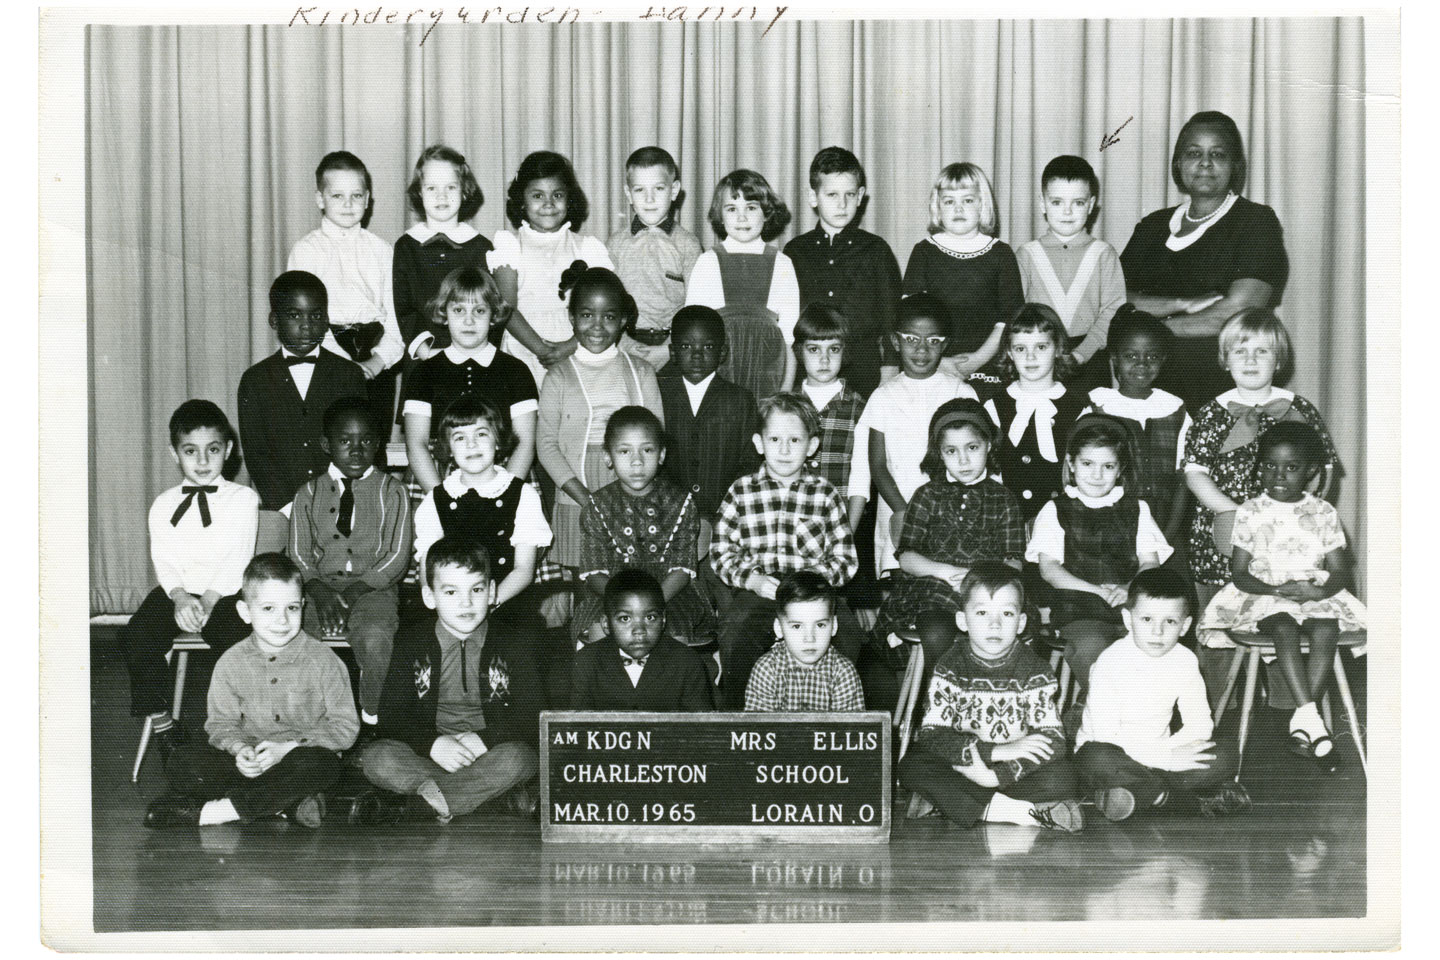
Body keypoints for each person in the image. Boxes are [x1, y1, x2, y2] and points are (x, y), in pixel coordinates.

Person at [143, 553, 358, 829]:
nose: (282, 620)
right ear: (245, 612)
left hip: (300, 759)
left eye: (292, 608)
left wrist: (289, 748)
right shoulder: (230, 662)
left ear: (303, 607)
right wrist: (240, 749)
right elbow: (221, 725)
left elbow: (345, 728)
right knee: (181, 762)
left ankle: (219, 811)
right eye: (268, 609)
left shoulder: (325, 661)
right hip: (250, 765)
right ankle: (286, 804)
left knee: (323, 766)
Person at [1197, 422, 1366, 769]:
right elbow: (1240, 573)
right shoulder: (1250, 511)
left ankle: (1304, 721)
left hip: (1312, 588)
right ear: (1259, 467)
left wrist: (1316, 590)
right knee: (1283, 625)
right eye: (1269, 465)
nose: (1279, 474)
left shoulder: (1323, 513)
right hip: (1263, 592)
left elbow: (1340, 571)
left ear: (1310, 471)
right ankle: (1310, 720)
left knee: (1326, 628)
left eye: (1291, 467)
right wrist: (1274, 590)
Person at [353, 537, 543, 824]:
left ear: (492, 592)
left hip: (490, 752)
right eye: (451, 592)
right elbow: (391, 716)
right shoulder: (411, 642)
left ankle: (417, 806)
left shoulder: (513, 641)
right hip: (431, 755)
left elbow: (532, 714)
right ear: (430, 596)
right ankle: (492, 798)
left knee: (520, 758)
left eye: (477, 589)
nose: (466, 602)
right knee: (376, 758)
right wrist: (433, 745)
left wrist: (484, 739)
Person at [1120, 111, 1289, 410]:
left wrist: (1150, 331)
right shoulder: (1152, 227)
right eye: (1194, 153)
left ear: (1235, 166)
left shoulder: (1255, 222)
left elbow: (1238, 311)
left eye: (1218, 154)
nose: (1205, 163)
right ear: (1178, 164)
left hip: (1220, 387)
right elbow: (1114, 301)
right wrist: (1181, 304)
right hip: (1147, 386)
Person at [120, 400, 259, 764]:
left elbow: (238, 559)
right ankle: (163, 723)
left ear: (227, 451)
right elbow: (163, 559)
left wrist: (209, 601)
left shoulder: (243, 499)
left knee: (232, 638)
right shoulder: (163, 504)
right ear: (174, 454)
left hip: (226, 593)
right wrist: (181, 598)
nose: (202, 461)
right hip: (179, 592)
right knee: (137, 633)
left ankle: (229, 729)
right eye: (190, 451)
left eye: (212, 450)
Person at [897, 563, 1084, 832]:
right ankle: (1015, 811)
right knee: (911, 766)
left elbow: (1054, 741)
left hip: (1012, 771)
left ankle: (954, 801)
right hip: (965, 763)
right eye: (982, 612)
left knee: (1065, 777)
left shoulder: (1035, 670)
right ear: (962, 620)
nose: (994, 624)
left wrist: (996, 776)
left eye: (1006, 614)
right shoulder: (950, 667)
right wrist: (994, 752)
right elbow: (933, 734)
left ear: (1021, 623)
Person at [710, 393, 861, 707]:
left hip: (813, 590)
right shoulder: (741, 491)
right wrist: (751, 581)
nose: (784, 449)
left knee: (847, 633)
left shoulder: (825, 494)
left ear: (812, 446)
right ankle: (741, 720)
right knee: (738, 633)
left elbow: (846, 560)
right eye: (775, 439)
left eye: (795, 440)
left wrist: (812, 581)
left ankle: (836, 717)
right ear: (759, 442)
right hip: (761, 589)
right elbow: (721, 552)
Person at [1182, 310, 1337, 605]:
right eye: (1240, 351)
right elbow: (1195, 473)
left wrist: (1296, 514)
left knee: (1286, 612)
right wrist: (1240, 515)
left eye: (1261, 351)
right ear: (1225, 360)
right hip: (1224, 530)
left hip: (1288, 535)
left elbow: (1324, 470)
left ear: (1278, 361)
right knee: (1221, 623)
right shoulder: (1211, 413)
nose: (1250, 360)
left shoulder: (1300, 409)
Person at [1074, 567, 1252, 821]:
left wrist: (1170, 754)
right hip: (1115, 753)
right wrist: (1166, 759)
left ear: (1185, 625)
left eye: (1169, 621)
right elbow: (1106, 735)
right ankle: (1178, 802)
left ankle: (1136, 794)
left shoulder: (1186, 661)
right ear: (1128, 619)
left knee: (1225, 754)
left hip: (1161, 757)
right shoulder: (1110, 664)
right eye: (1147, 620)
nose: (1157, 632)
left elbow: (1200, 724)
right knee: (1095, 757)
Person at [288, 397, 413, 729]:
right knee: (297, 636)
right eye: (345, 441)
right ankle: (311, 718)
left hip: (374, 589)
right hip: (318, 589)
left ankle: (371, 717)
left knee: (376, 639)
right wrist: (318, 590)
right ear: (327, 445)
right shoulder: (307, 493)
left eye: (366, 441)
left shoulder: (393, 491)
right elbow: (298, 555)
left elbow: (397, 556)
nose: (356, 451)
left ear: (378, 444)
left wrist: (358, 590)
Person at [1026, 415, 1172, 689]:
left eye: (1108, 466)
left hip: (1130, 605)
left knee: (1155, 650)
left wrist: (1130, 587)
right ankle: (1102, 711)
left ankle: (1122, 714)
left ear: (1120, 469)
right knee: (1093, 648)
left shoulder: (1137, 508)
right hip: (1078, 608)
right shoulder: (1056, 509)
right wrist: (1097, 591)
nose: (1097, 475)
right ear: (1071, 463)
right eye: (1087, 464)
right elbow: (1050, 570)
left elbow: (1150, 562)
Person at [536, 266, 665, 570]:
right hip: (576, 489)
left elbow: (655, 437)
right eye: (586, 315)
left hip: (631, 482)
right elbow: (546, 444)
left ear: (623, 321)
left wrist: (634, 490)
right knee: (585, 577)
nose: (597, 326)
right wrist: (586, 499)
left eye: (608, 317)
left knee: (629, 575)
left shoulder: (642, 371)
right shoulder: (558, 376)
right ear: (571, 318)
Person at [874, 399, 1025, 650]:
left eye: (972, 447)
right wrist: (946, 572)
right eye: (951, 451)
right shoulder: (927, 494)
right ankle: (939, 688)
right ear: (939, 453)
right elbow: (907, 558)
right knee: (935, 630)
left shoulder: (1004, 498)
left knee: (1000, 625)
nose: (963, 460)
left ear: (988, 445)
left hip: (989, 591)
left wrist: (978, 581)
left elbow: (1014, 561)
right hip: (935, 586)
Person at [849, 294, 978, 578]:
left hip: (952, 513)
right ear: (895, 342)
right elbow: (877, 464)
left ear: (945, 344)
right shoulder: (882, 396)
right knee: (902, 589)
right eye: (911, 339)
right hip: (899, 509)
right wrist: (903, 511)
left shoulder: (960, 391)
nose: (921, 350)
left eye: (933, 341)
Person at [573, 407, 715, 648]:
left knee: (674, 637)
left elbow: (681, 570)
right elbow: (594, 572)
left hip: (668, 593)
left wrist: (650, 606)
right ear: (608, 457)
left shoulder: (681, 503)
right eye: (625, 451)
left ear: (661, 455)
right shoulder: (596, 506)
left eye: (647, 450)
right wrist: (625, 605)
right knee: (597, 634)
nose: (637, 461)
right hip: (611, 593)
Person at [287, 150, 403, 433]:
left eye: (357, 195)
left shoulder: (383, 251)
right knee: (331, 438)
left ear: (368, 199)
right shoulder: (306, 251)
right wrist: (341, 364)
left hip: (375, 356)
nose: (348, 204)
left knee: (372, 442)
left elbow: (397, 316)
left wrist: (378, 361)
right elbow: (303, 319)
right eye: (337, 196)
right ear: (320, 199)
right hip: (326, 352)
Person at [236, 270, 367, 513]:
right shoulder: (255, 381)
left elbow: (362, 446)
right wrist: (289, 509)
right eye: (295, 315)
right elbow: (257, 455)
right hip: (283, 510)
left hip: (345, 506)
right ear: (274, 320)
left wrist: (346, 503)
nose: (307, 326)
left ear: (327, 320)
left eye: (316, 315)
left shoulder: (349, 375)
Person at [411, 395, 552, 620]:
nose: (471, 444)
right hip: (450, 608)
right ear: (448, 449)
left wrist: (488, 603)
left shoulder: (522, 495)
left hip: (504, 602)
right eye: (459, 437)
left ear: (497, 441)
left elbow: (524, 571)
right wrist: (450, 607)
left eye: (481, 434)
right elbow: (427, 569)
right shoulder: (435, 501)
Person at [401, 266, 538, 497]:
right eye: (458, 310)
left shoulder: (516, 372)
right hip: (436, 480)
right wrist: (441, 501)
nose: (469, 320)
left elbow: (525, 444)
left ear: (493, 315)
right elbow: (416, 445)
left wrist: (504, 496)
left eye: (480, 311)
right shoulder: (424, 373)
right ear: (444, 313)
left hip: (506, 479)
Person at [783, 146, 902, 397]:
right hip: (809, 371)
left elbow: (891, 316)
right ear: (813, 197)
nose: (842, 204)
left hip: (864, 371)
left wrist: (890, 368)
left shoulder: (876, 250)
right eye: (832, 195)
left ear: (860, 196)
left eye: (849, 194)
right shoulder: (795, 251)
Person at [489, 150, 615, 384]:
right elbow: (506, 309)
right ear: (522, 201)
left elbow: (605, 309)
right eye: (537, 196)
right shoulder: (510, 246)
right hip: (524, 350)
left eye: (557, 195)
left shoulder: (587, 248)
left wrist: (567, 348)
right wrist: (542, 350)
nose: (548, 204)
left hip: (578, 348)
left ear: (570, 199)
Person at [900, 162, 1023, 381]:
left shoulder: (1001, 254)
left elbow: (1009, 319)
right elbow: (912, 318)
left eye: (967, 200)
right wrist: (938, 361)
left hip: (988, 363)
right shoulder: (924, 252)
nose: (958, 209)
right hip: (931, 362)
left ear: (982, 205)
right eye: (949, 201)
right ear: (938, 207)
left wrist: (976, 360)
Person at [685, 169, 800, 399]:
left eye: (751, 207)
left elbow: (790, 339)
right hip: (720, 372)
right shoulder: (707, 262)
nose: (741, 217)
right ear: (720, 214)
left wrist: (785, 391)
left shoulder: (782, 263)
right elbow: (694, 333)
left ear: (766, 213)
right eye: (731, 209)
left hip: (768, 371)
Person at [1082, 307, 1192, 544]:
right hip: (1108, 525)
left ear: (1163, 360)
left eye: (1152, 356)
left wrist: (1169, 534)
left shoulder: (1175, 409)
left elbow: (1184, 479)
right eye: (1131, 356)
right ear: (1115, 359)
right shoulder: (1099, 406)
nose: (1142, 364)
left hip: (1164, 526)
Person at [1014, 155, 1126, 384]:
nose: (1067, 212)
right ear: (1042, 203)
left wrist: (1080, 354)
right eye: (1057, 202)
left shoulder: (1104, 253)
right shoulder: (1026, 254)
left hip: (1089, 357)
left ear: (1091, 204)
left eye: (1078, 202)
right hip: (1036, 356)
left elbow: (1113, 312)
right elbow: (1015, 311)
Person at [983, 303, 1089, 521]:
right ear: (1009, 353)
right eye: (1021, 348)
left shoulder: (1078, 408)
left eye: (1041, 347)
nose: (1030, 357)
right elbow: (990, 473)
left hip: (1062, 522)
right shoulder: (994, 407)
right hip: (1009, 521)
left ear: (1058, 348)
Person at [656, 305, 761, 519]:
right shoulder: (658, 394)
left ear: (722, 353)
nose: (696, 355)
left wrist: (731, 507)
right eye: (686, 346)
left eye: (708, 347)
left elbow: (749, 461)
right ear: (673, 353)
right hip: (668, 513)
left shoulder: (740, 399)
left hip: (725, 514)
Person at [393, 144, 494, 359]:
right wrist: (425, 351)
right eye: (432, 188)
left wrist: (472, 351)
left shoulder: (481, 247)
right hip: (426, 357)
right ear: (420, 192)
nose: (442, 196)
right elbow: (404, 310)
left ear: (464, 190)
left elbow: (491, 308)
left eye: (450, 187)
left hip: (473, 355)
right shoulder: (406, 246)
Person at [607, 146, 703, 369]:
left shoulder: (688, 245)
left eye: (659, 188)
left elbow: (695, 306)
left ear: (674, 190)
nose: (649, 199)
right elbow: (608, 303)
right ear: (628, 194)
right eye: (640, 190)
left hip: (673, 345)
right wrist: (623, 342)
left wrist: (669, 348)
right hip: (624, 343)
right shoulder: (615, 244)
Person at [570, 570, 716, 712]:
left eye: (650, 617)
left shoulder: (687, 662)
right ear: (606, 624)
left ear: (663, 621)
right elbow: (577, 729)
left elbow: (700, 729)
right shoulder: (586, 662)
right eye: (625, 618)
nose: (639, 630)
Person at [793, 304, 869, 533]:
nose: (824, 360)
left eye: (833, 349)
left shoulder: (859, 408)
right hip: (789, 521)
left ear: (845, 352)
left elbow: (861, 478)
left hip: (838, 522)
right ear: (799, 351)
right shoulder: (787, 406)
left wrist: (848, 534)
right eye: (814, 349)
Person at [743, 571, 865, 712]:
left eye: (820, 625)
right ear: (779, 628)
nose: (809, 638)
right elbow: (757, 729)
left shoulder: (843, 672)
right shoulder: (766, 669)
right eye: (797, 626)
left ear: (834, 626)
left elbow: (850, 731)